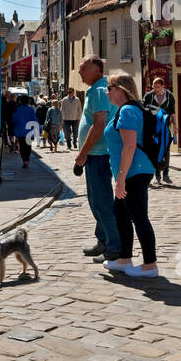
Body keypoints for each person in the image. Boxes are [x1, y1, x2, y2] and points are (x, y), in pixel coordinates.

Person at [103, 71, 159, 277]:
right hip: (134, 171)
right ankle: (124, 259)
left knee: (139, 217)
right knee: (121, 214)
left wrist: (120, 179)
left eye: (109, 89)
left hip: (133, 172)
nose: (107, 93)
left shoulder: (127, 111)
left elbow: (129, 147)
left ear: (120, 90)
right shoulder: (127, 109)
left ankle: (150, 265)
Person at [72, 57, 121, 264]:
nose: (80, 71)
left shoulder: (101, 91)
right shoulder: (97, 89)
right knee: (95, 201)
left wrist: (82, 153)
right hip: (95, 154)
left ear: (97, 69)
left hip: (99, 154)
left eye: (84, 68)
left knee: (102, 202)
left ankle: (114, 246)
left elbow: (99, 125)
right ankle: (103, 240)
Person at [147, 76, 176, 185]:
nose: (155, 88)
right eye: (154, 86)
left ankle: (166, 174)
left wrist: (175, 125)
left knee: (166, 150)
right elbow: (145, 112)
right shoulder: (149, 96)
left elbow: (172, 112)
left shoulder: (169, 96)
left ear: (163, 86)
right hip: (153, 128)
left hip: (165, 127)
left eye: (158, 86)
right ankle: (157, 174)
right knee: (155, 150)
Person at [11, 94, 38, 168]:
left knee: (22, 146)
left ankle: (24, 160)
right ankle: (27, 159)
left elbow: (14, 119)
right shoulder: (30, 109)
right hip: (29, 131)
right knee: (28, 146)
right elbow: (34, 119)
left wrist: (13, 125)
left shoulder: (18, 109)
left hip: (20, 131)